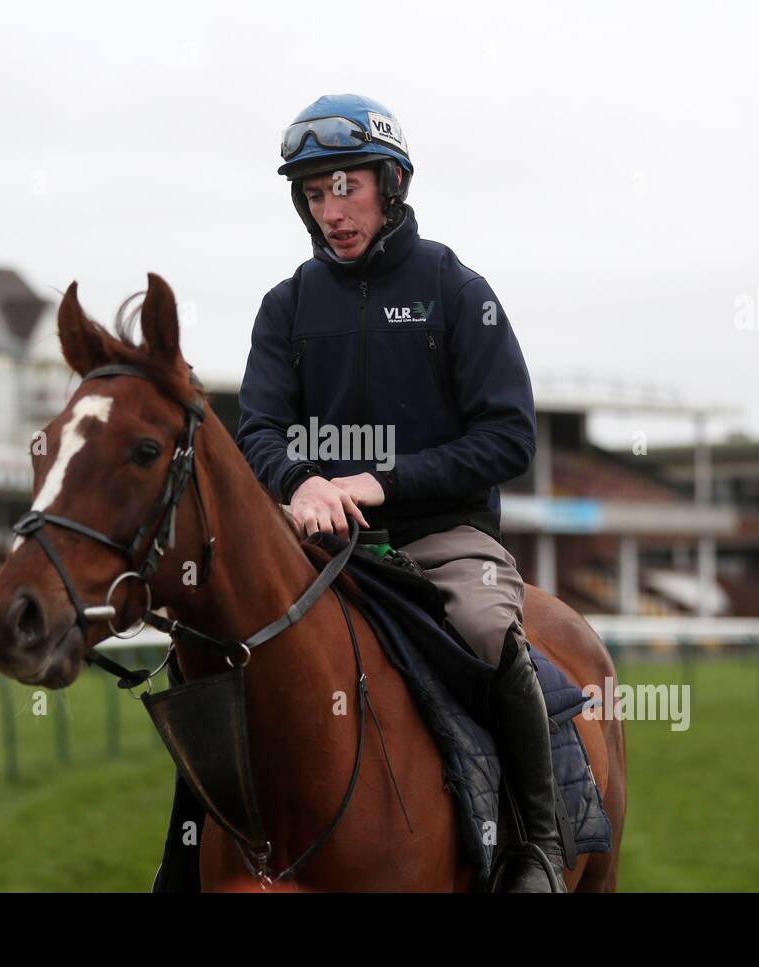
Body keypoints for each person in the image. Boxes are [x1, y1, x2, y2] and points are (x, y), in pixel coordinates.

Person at [236, 93, 565, 892]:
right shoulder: (285, 307)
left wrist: (376, 482)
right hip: (320, 546)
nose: (331, 211)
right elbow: (257, 431)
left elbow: (509, 438)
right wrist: (299, 479)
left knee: (488, 631)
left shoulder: (456, 288)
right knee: (225, 657)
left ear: (392, 184)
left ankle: (541, 845)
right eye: (314, 195)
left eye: (346, 186)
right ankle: (187, 859)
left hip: (443, 540)